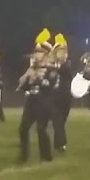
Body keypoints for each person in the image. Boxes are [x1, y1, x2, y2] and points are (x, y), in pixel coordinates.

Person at [18, 30, 60, 163]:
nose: (36, 55)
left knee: (41, 128)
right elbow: (23, 87)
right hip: (31, 101)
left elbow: (49, 86)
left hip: (44, 101)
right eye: (36, 52)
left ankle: (46, 156)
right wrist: (27, 78)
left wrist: (38, 78)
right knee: (23, 128)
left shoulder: (51, 69)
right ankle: (23, 156)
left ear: (47, 54)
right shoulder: (32, 68)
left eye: (40, 52)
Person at [51, 35, 73, 151]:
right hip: (54, 97)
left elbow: (65, 72)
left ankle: (57, 143)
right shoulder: (52, 65)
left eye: (63, 51)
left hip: (65, 98)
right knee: (57, 121)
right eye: (59, 51)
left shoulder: (66, 65)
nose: (61, 54)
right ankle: (61, 143)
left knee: (61, 122)